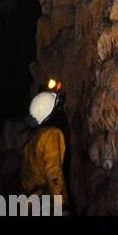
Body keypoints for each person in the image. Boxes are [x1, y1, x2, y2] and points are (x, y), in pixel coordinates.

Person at [20, 79, 71, 209]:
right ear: (50, 114)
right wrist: (62, 205)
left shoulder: (31, 139)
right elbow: (54, 173)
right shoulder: (51, 134)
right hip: (45, 203)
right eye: (56, 108)